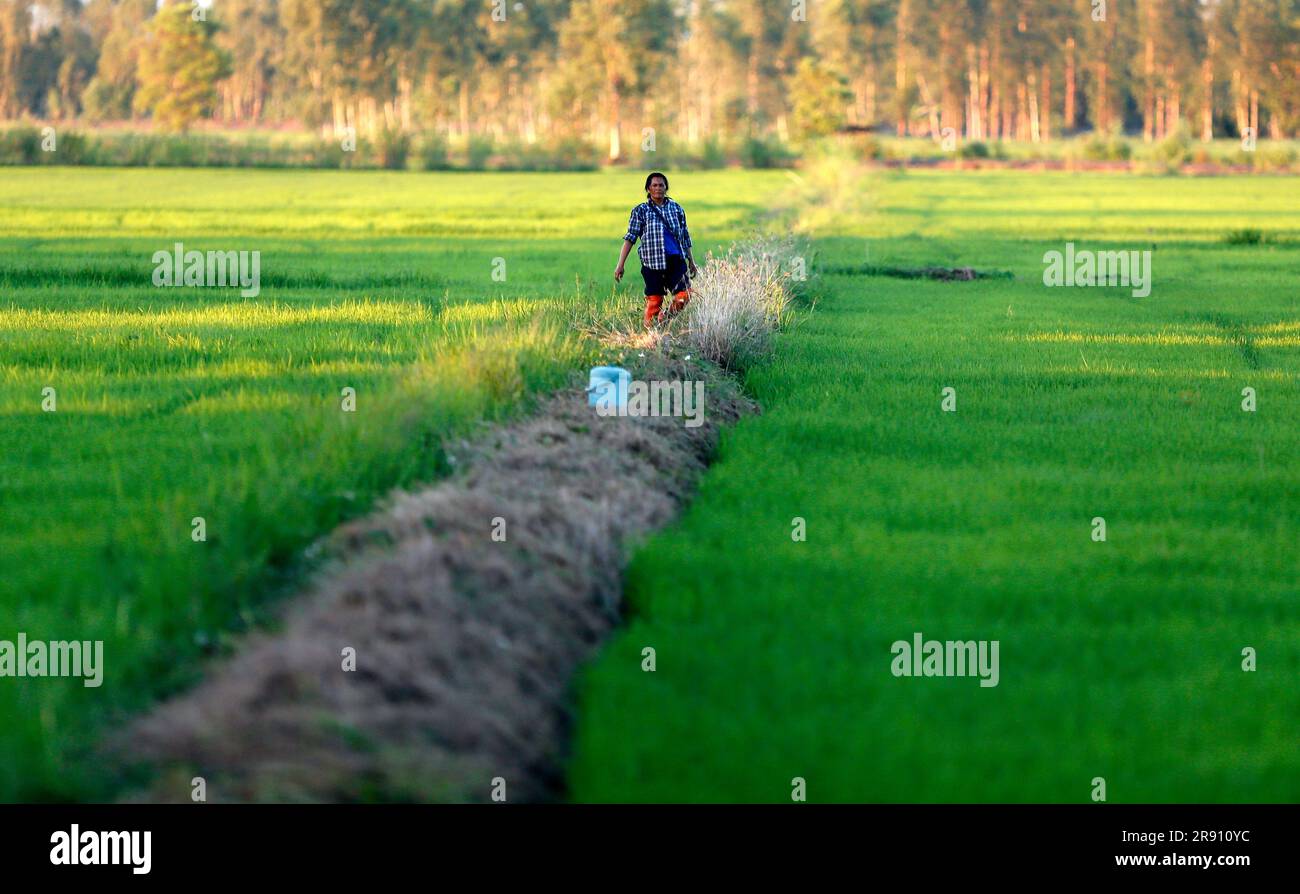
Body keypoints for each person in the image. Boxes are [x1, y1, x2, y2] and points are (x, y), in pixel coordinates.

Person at [615, 172, 697, 328]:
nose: (658, 188)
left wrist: (691, 261)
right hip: (652, 262)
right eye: (654, 185)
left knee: (685, 294)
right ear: (648, 189)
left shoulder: (677, 209)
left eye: (661, 185)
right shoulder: (640, 211)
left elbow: (685, 236)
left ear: (666, 188)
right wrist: (620, 265)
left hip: (676, 260)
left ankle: (665, 320)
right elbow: (630, 238)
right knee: (655, 300)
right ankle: (650, 333)